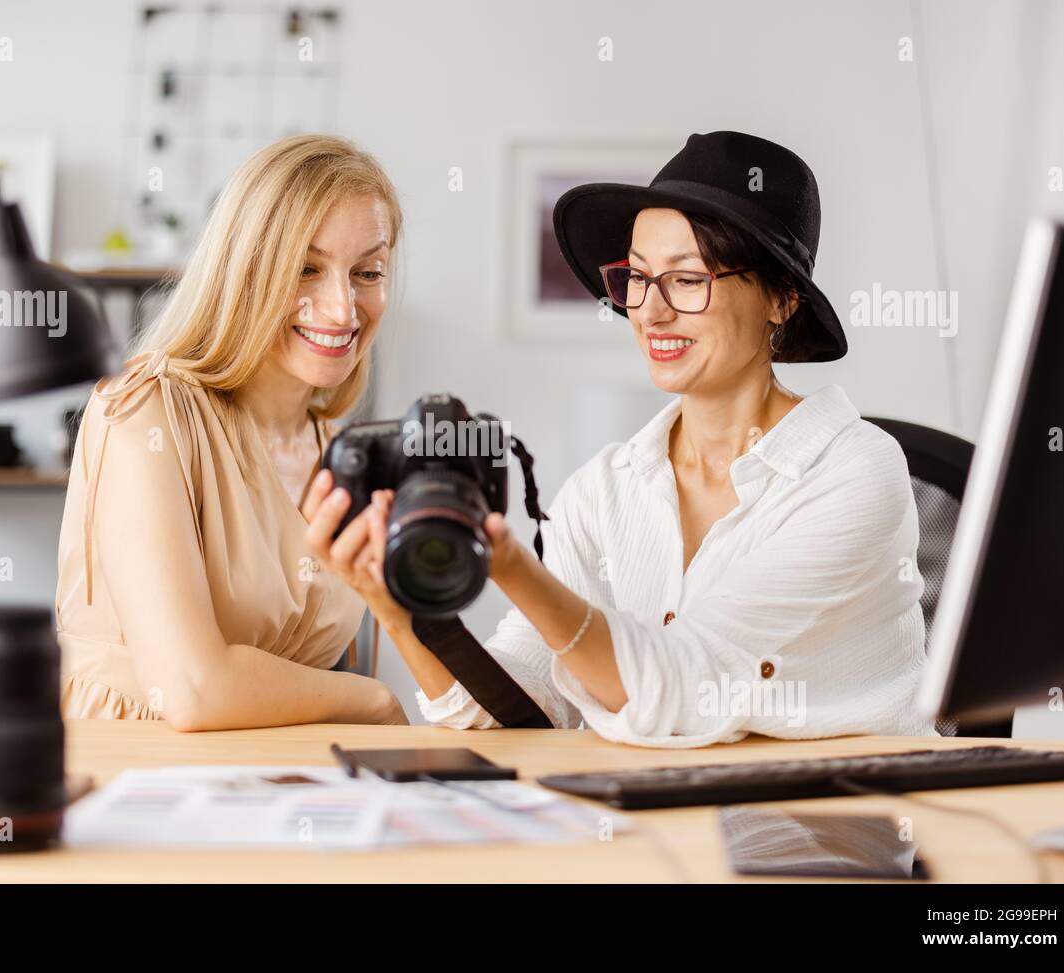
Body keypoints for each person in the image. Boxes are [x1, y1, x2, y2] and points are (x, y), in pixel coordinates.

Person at [307, 131, 936, 747]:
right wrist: (394, 608)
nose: (649, 311)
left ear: (782, 298)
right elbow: (517, 709)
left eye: (688, 280)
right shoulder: (605, 489)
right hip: (668, 831)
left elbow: (687, 688)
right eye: (635, 278)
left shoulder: (857, 471)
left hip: (843, 830)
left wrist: (510, 565)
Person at [55, 134, 408, 729]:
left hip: (272, 789)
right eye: (306, 269)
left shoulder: (335, 447)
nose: (345, 309)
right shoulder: (147, 414)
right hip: (133, 779)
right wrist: (372, 700)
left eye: (367, 272)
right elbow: (192, 689)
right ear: (243, 269)